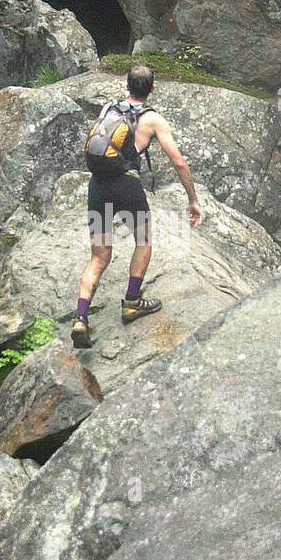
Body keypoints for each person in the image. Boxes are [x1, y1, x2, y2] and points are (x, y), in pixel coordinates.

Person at [73, 63, 202, 350]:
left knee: (99, 256)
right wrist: (192, 200)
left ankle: (81, 317)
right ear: (152, 89)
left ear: (126, 86)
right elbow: (178, 161)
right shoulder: (153, 119)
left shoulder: (108, 109)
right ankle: (132, 302)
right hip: (127, 186)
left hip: (99, 186)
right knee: (143, 241)